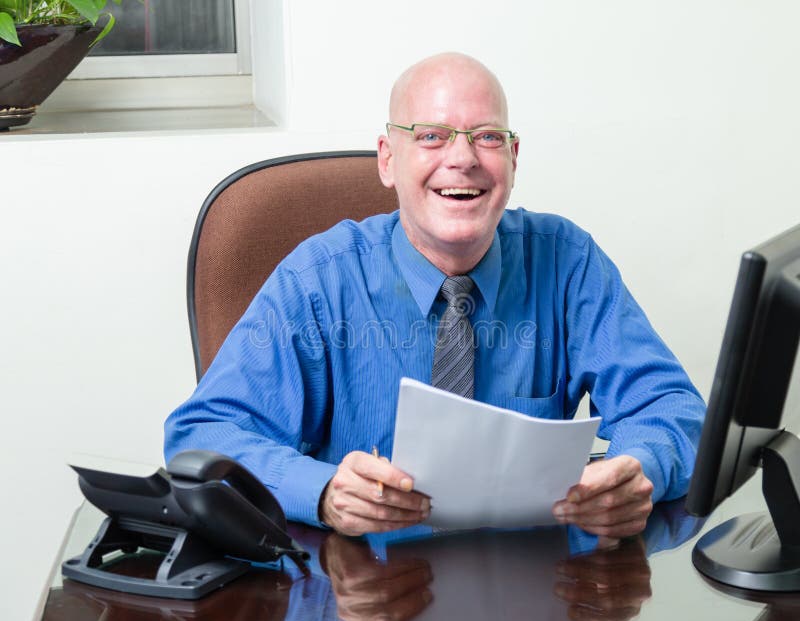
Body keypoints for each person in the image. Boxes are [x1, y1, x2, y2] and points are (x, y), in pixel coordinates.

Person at [165, 52, 705, 539]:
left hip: (532, 589)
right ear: (387, 158)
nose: (463, 158)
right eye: (431, 136)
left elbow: (674, 408)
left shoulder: (567, 262)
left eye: (487, 137)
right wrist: (324, 491)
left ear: (513, 159)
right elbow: (201, 438)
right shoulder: (318, 279)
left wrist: (641, 468)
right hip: (364, 599)